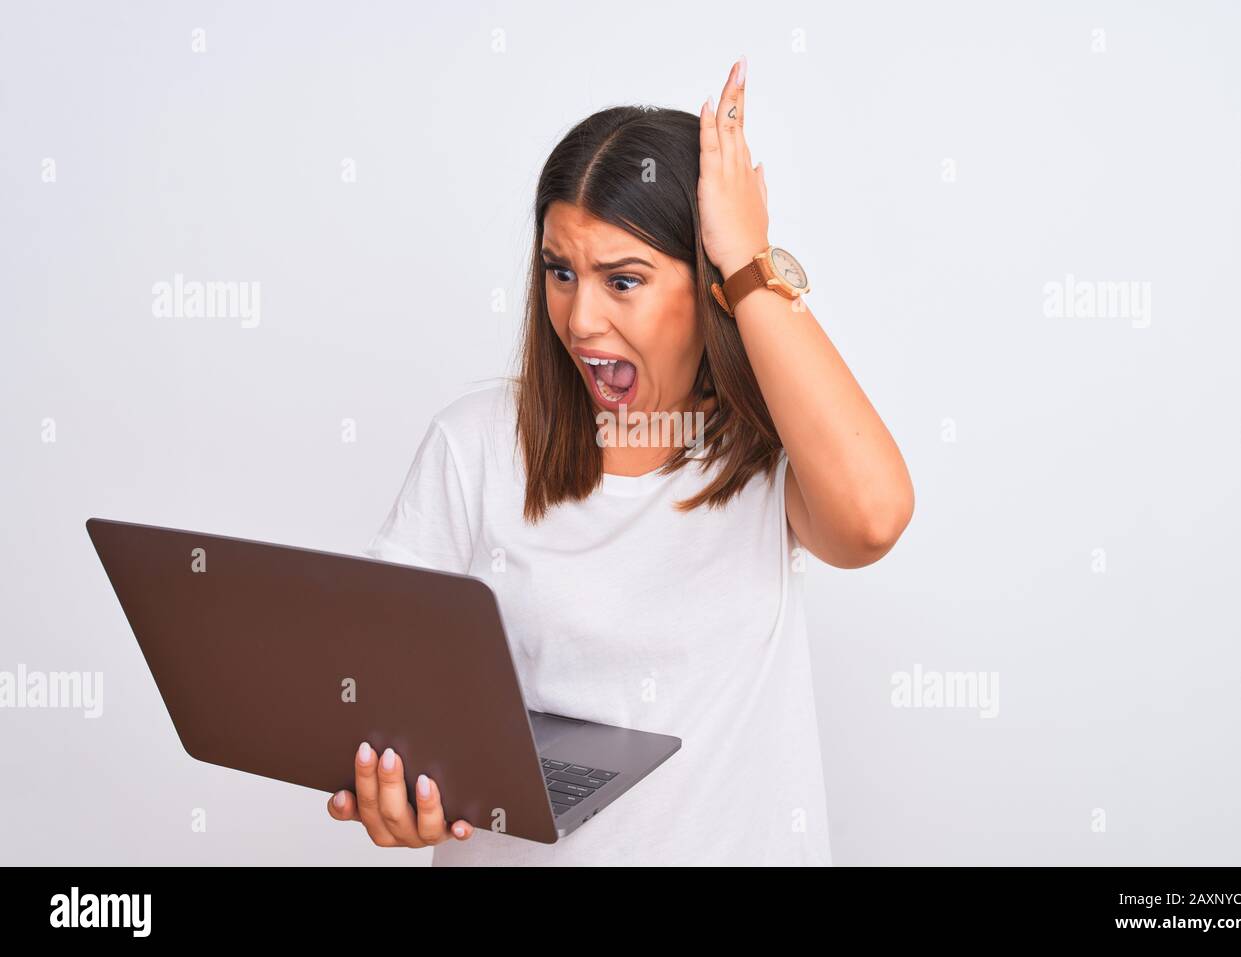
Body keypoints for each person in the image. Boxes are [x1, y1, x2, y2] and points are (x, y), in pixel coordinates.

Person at [326, 56, 914, 865]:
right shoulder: (476, 444)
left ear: (707, 286)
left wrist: (747, 256)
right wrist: (388, 779)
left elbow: (873, 519)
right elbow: (371, 683)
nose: (581, 318)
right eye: (560, 272)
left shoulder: (763, 455)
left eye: (623, 279)